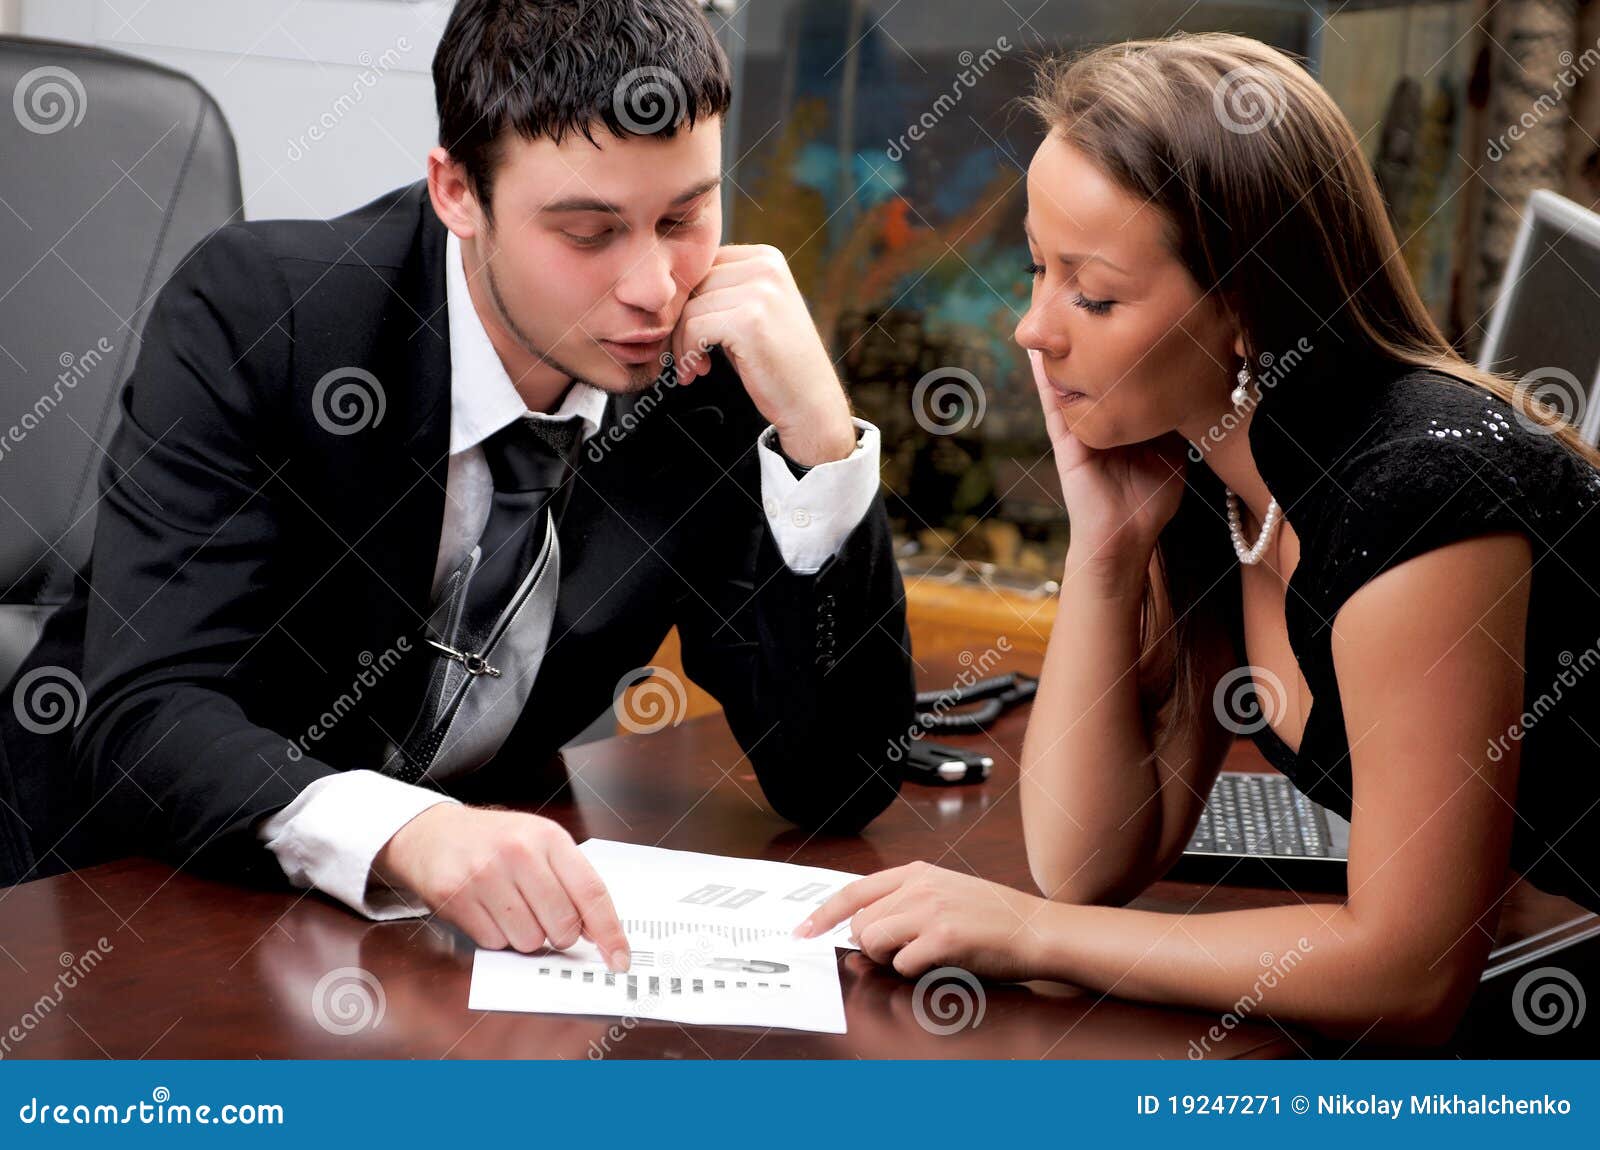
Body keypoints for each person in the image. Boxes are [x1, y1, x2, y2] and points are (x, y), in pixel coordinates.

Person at [0, 0, 914, 970]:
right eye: (589, 231)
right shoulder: (265, 315)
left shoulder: (697, 372)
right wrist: (410, 832)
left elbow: (836, 781)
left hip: (435, 956)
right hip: (118, 911)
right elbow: (150, 711)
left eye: (684, 216)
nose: (653, 285)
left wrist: (819, 441)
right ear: (456, 191)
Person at [796, 32, 1600, 1045]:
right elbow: (1087, 861)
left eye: (1091, 294)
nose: (1032, 330)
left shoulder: (1425, 499)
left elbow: (1410, 969)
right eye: (1036, 269)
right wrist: (1105, 549)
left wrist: (1033, 936)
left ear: (1243, 314)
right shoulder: (1211, 476)